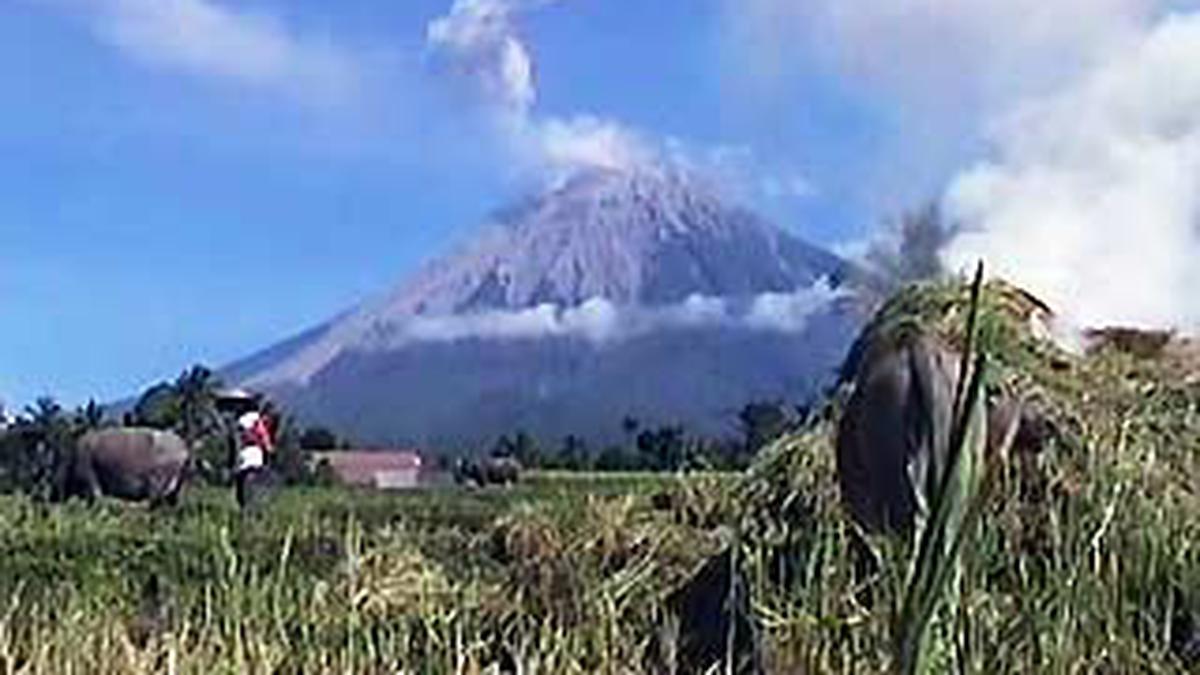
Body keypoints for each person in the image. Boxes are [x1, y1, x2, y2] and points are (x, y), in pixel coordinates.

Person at [234, 407, 274, 510]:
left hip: (244, 452)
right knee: (254, 477)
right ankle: (252, 503)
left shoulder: (242, 421)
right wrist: (268, 448)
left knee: (242, 478)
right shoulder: (256, 421)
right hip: (255, 452)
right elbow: (264, 437)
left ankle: (243, 504)